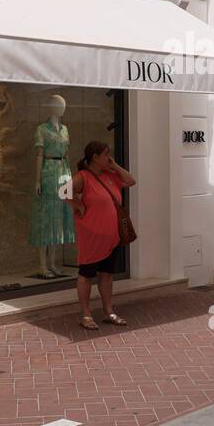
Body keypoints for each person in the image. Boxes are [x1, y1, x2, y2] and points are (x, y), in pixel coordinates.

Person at [69, 141, 136, 330]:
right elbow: (62, 191)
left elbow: (131, 181)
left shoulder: (110, 176)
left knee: (107, 275)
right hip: (92, 235)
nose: (109, 158)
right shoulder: (83, 177)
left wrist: (114, 166)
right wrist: (77, 204)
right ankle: (86, 314)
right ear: (95, 157)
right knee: (86, 274)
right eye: (106, 155)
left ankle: (109, 311)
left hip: (111, 236)